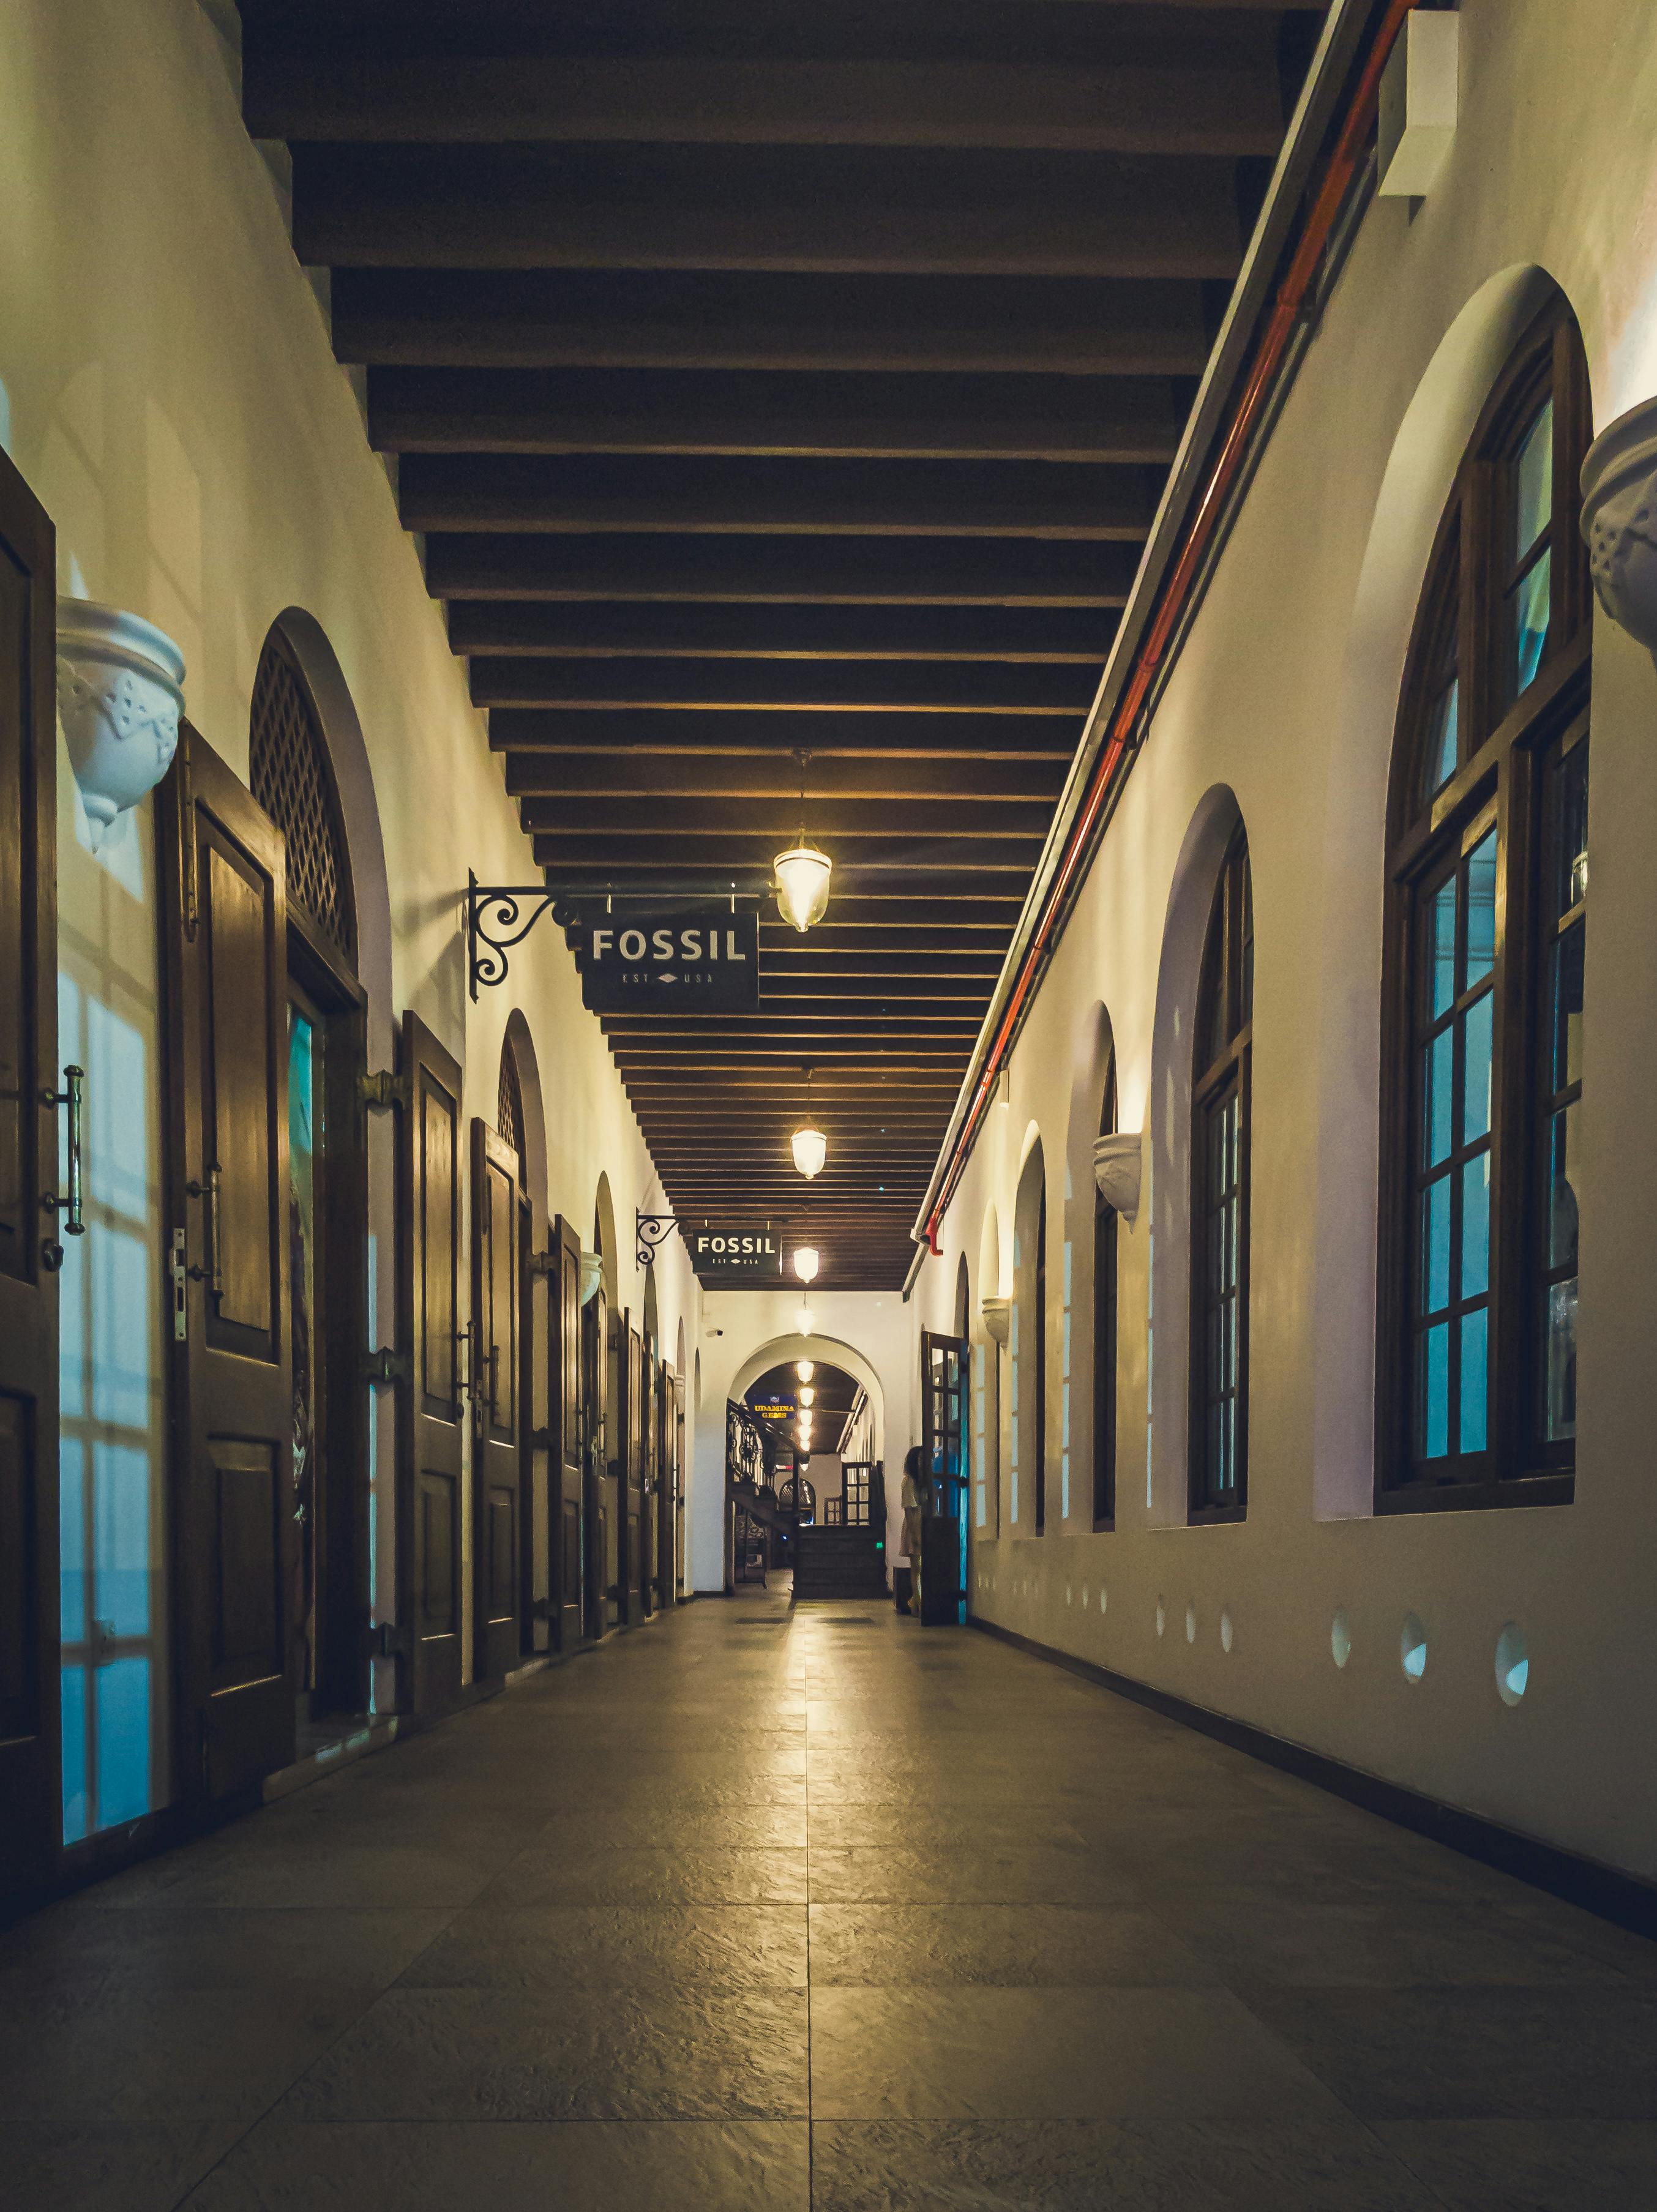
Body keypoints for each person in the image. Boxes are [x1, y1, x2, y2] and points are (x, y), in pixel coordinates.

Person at [899, 1444, 927, 1618]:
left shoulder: (921, 1480)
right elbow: (908, 1509)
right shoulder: (909, 1480)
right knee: (916, 1568)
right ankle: (917, 1604)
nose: (923, 1463)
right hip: (915, 1524)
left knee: (923, 1568)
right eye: (920, 1459)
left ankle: (916, 1601)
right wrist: (915, 1534)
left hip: (923, 1522)